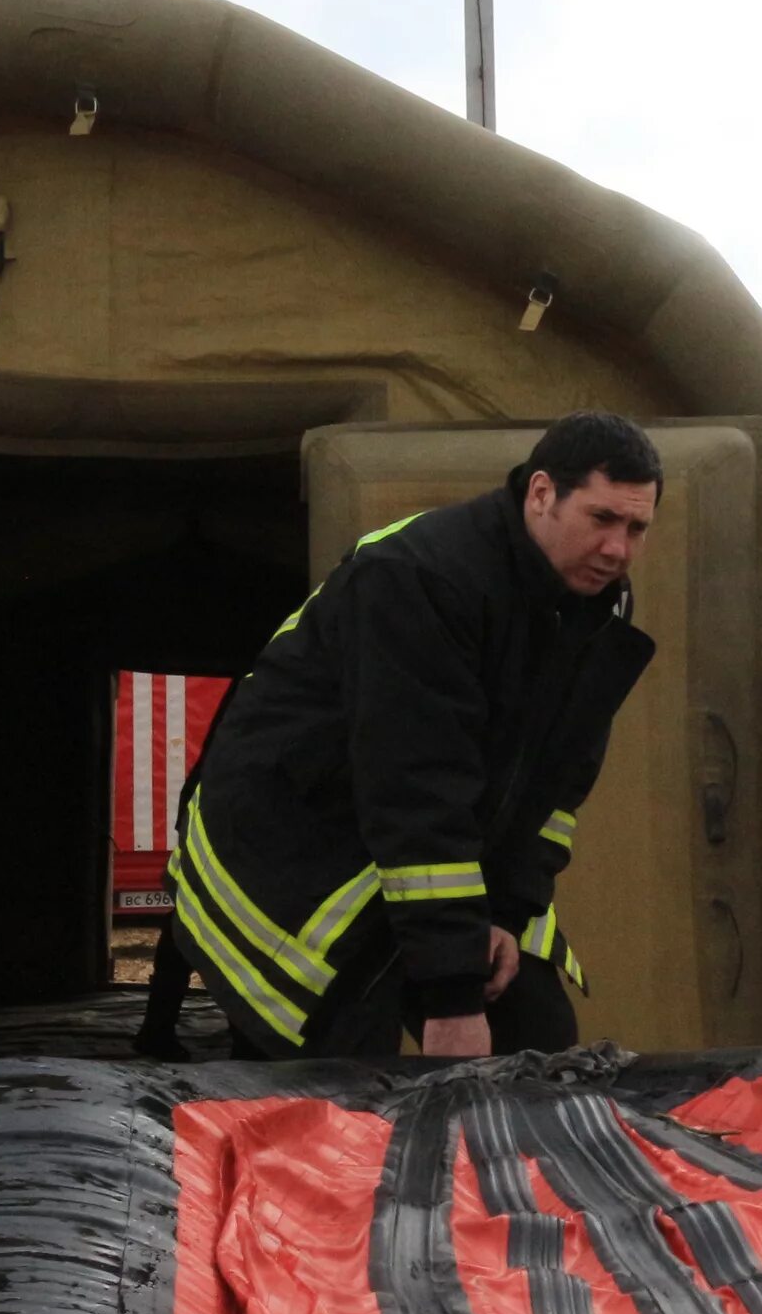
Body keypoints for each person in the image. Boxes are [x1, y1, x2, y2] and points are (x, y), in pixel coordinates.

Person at [168, 411, 659, 1059]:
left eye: (636, 528)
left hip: (412, 847)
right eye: (601, 519)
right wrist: (451, 1001)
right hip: (294, 861)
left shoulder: (596, 606)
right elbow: (416, 791)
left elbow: (556, 786)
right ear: (541, 494)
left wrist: (507, 916)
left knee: (536, 1041)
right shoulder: (420, 576)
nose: (618, 551)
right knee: (335, 1093)